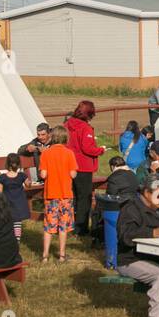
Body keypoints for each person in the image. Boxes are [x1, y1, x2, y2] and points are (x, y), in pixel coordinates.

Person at [116, 177, 159, 317]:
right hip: (131, 260)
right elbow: (125, 236)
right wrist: (151, 233)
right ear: (146, 193)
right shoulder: (130, 209)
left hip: (155, 256)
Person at [61, 100, 104, 238]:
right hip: (83, 167)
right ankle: (80, 228)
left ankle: (66, 225)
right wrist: (100, 150)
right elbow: (87, 148)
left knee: (71, 196)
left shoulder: (66, 125)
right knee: (84, 198)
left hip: (68, 164)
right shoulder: (85, 128)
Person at [39, 123, 78, 262]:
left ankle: (45, 255)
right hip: (66, 194)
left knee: (49, 226)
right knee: (63, 226)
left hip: (51, 194)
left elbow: (43, 175)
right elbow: (73, 175)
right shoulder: (69, 153)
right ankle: (62, 255)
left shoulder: (46, 153)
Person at [0, 153, 30, 239]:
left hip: (7, 202)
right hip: (19, 203)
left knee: (8, 221)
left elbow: (0, 192)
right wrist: (29, 181)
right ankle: (17, 240)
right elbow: (28, 184)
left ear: (7, 164)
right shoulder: (22, 176)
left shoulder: (2, 178)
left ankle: (8, 238)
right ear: (18, 164)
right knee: (17, 222)